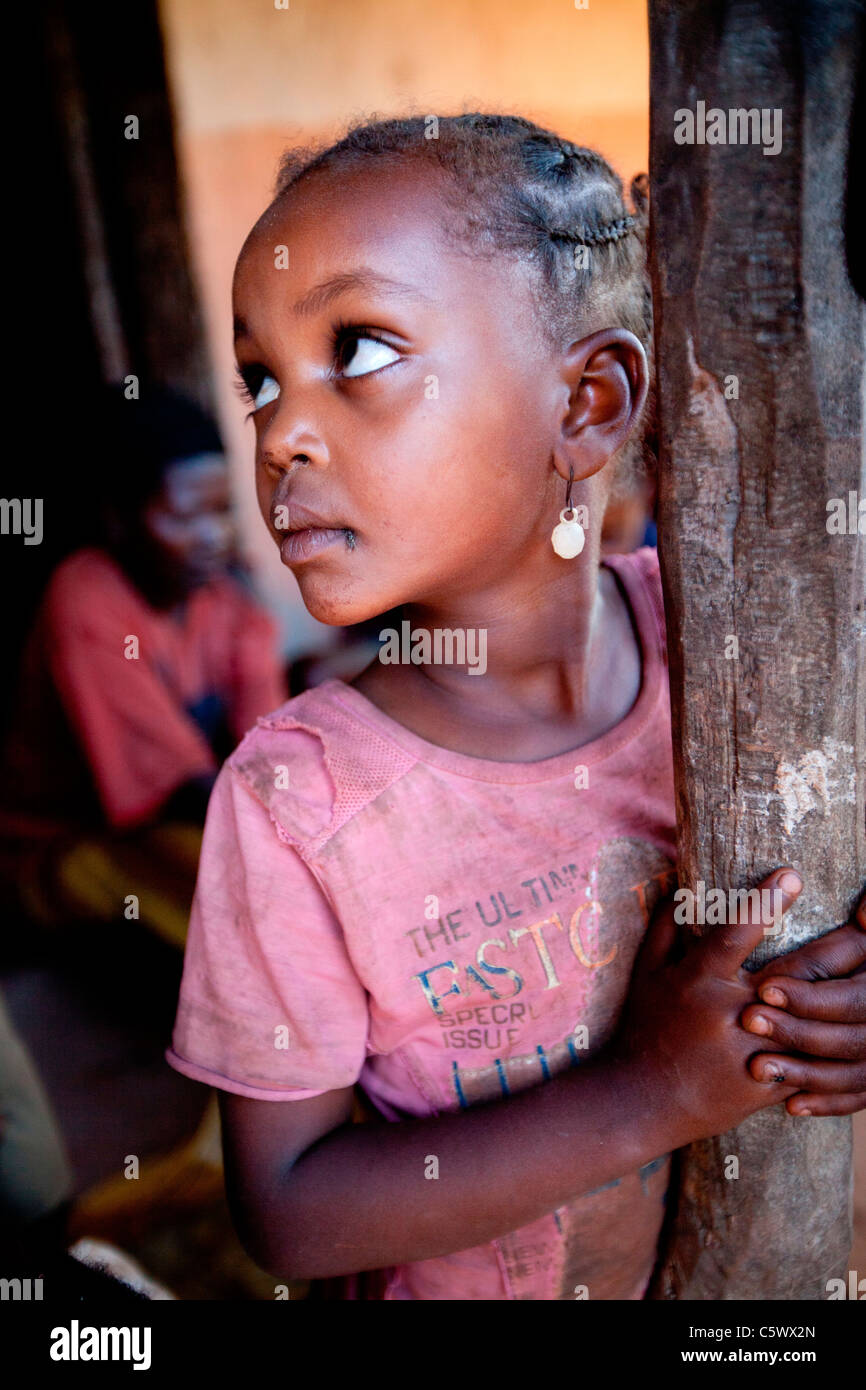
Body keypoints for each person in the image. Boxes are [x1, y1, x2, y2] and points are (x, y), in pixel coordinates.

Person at [165, 114, 866, 1300]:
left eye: (363, 349)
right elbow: (284, 1209)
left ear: (587, 401)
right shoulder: (299, 800)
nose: (279, 434)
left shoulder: (741, 652)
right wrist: (647, 1093)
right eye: (261, 380)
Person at [0, 386, 287, 949]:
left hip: (188, 812)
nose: (213, 537)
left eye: (222, 510)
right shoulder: (85, 603)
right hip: (61, 849)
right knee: (231, 901)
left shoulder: (225, 594)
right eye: (185, 518)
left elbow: (270, 752)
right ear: (119, 522)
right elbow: (177, 793)